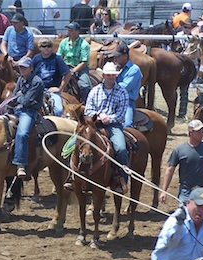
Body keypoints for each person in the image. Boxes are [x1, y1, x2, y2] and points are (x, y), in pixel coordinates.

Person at [85, 61, 130, 192]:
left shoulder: (122, 92)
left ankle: (121, 179)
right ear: (103, 76)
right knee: (73, 144)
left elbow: (121, 114)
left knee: (121, 149)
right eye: (109, 75)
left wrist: (109, 118)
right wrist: (99, 115)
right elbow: (88, 110)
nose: (111, 77)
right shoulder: (94, 91)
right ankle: (72, 175)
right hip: (94, 124)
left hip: (114, 126)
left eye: (113, 75)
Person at [160, 119, 203, 208]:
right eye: (198, 132)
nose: (201, 133)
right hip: (186, 191)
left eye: (202, 131)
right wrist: (164, 191)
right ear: (191, 132)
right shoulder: (179, 150)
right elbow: (170, 170)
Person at [9, 56, 44, 179]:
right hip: (17, 110)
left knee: (22, 133)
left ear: (31, 68)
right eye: (20, 67)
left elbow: (27, 101)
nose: (22, 69)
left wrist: (18, 97)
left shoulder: (37, 82)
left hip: (29, 112)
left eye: (24, 67)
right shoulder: (20, 80)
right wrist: (17, 99)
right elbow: (14, 98)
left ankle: (20, 163)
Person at [107, 41, 141, 127]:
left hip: (127, 101)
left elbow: (125, 87)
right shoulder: (117, 67)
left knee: (126, 124)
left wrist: (110, 81)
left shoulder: (134, 69)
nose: (115, 59)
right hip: (111, 99)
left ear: (125, 56)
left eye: (118, 56)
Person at [32, 39, 70, 116]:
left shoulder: (57, 59)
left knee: (58, 110)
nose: (46, 48)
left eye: (49, 46)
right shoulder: (36, 58)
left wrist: (60, 88)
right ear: (40, 48)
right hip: (37, 89)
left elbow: (68, 73)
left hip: (52, 90)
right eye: (44, 46)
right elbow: (29, 73)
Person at [58, 22, 91, 101]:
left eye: (71, 31)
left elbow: (84, 62)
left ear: (78, 32)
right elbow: (59, 57)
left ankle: (86, 104)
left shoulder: (84, 44)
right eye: (68, 30)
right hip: (65, 66)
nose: (68, 33)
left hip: (80, 68)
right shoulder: (63, 42)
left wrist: (73, 71)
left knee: (84, 85)